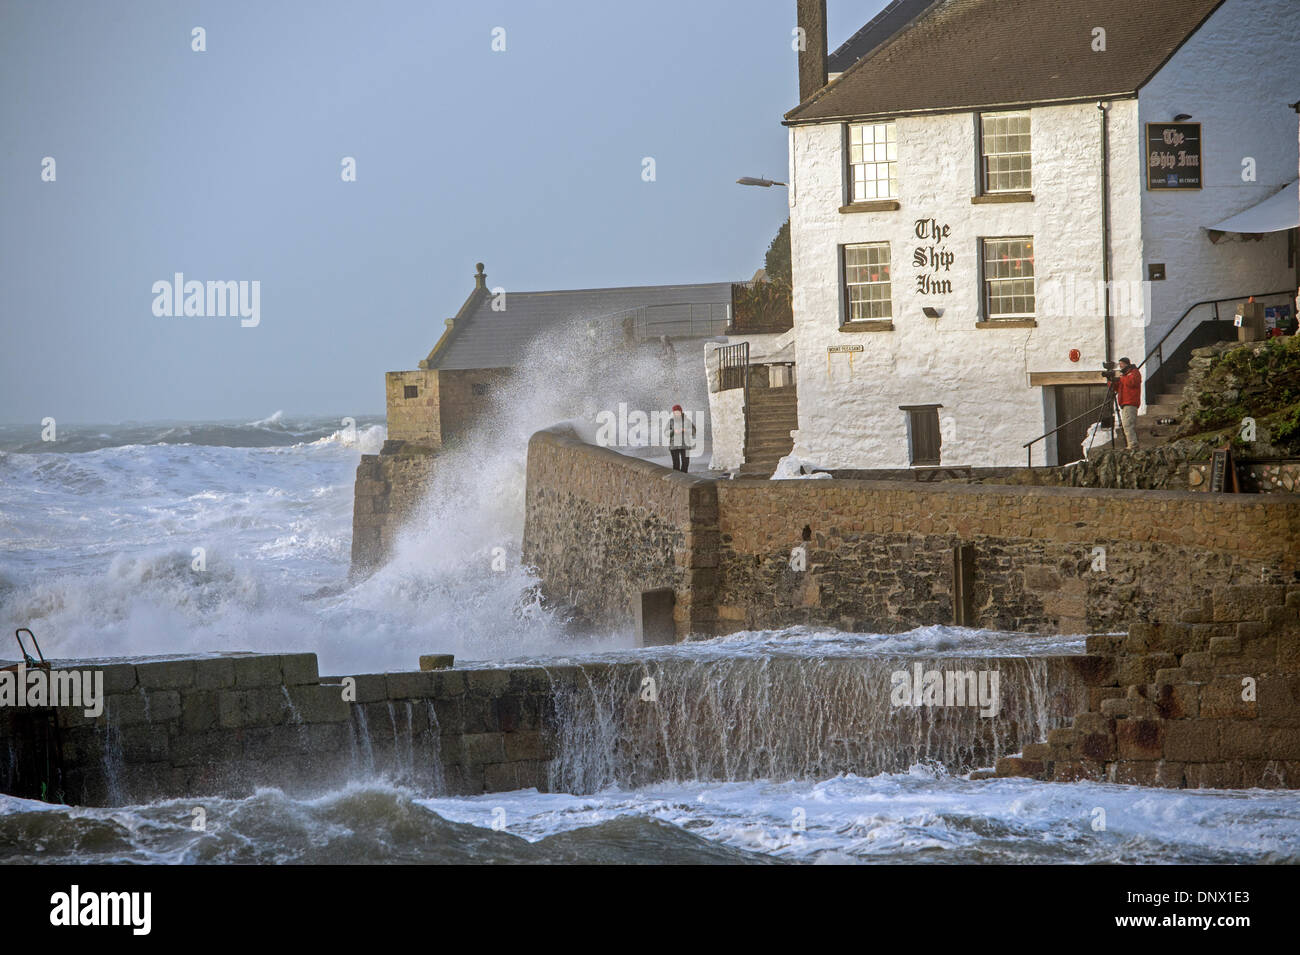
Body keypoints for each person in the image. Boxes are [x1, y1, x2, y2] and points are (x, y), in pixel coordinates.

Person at [1108, 357, 1142, 450]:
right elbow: (1117, 388)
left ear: (1126, 364)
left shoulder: (1134, 372)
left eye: (1121, 364)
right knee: (1127, 424)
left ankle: (1133, 445)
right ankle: (1131, 444)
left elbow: (1132, 382)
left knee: (1128, 424)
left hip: (1130, 402)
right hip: (1125, 403)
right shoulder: (1125, 375)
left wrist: (1121, 378)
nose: (1120, 366)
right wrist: (1111, 380)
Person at [666, 404, 696, 472]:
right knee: (676, 465)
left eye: (678, 411)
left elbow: (694, 431)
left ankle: (684, 478)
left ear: (681, 411)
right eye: (675, 412)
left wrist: (685, 430)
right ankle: (676, 480)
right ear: (673, 412)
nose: (677, 413)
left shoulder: (687, 420)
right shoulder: (671, 421)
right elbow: (666, 433)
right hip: (674, 446)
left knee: (685, 463)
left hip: (685, 445)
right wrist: (673, 431)